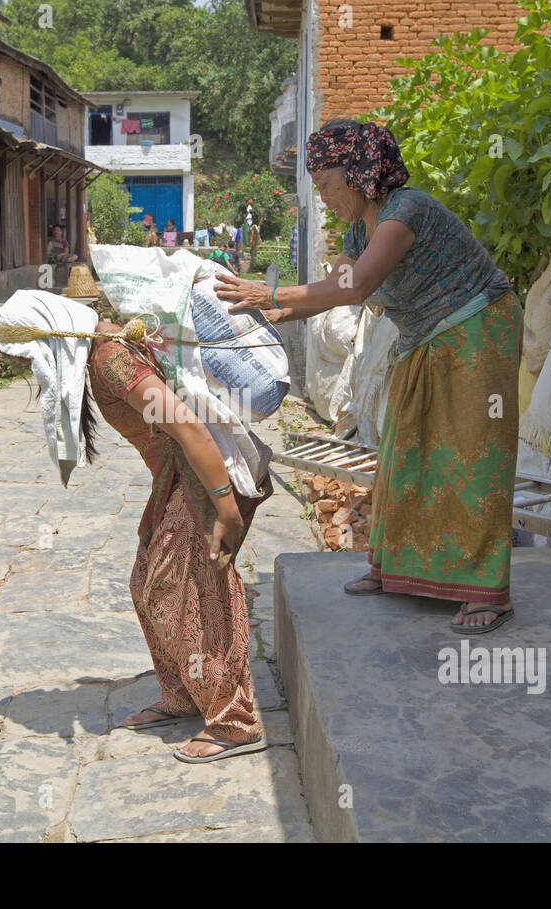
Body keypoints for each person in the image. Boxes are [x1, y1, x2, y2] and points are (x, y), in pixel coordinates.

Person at [214, 118, 522, 634]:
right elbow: (328, 287)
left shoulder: (406, 212)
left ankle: (486, 590)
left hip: (477, 328)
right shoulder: (361, 228)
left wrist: (267, 295)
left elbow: (356, 286)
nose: (326, 198)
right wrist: (249, 316)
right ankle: (398, 569)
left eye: (328, 186)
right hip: (425, 338)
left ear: (358, 173)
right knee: (406, 450)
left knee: (470, 456)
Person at [0, 291, 271, 762]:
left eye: (28, 356)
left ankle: (235, 721)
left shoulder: (110, 360)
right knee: (149, 584)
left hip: (204, 478)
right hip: (177, 478)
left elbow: (188, 429)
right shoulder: (103, 351)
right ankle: (186, 692)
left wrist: (225, 506)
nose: (28, 369)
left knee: (186, 588)